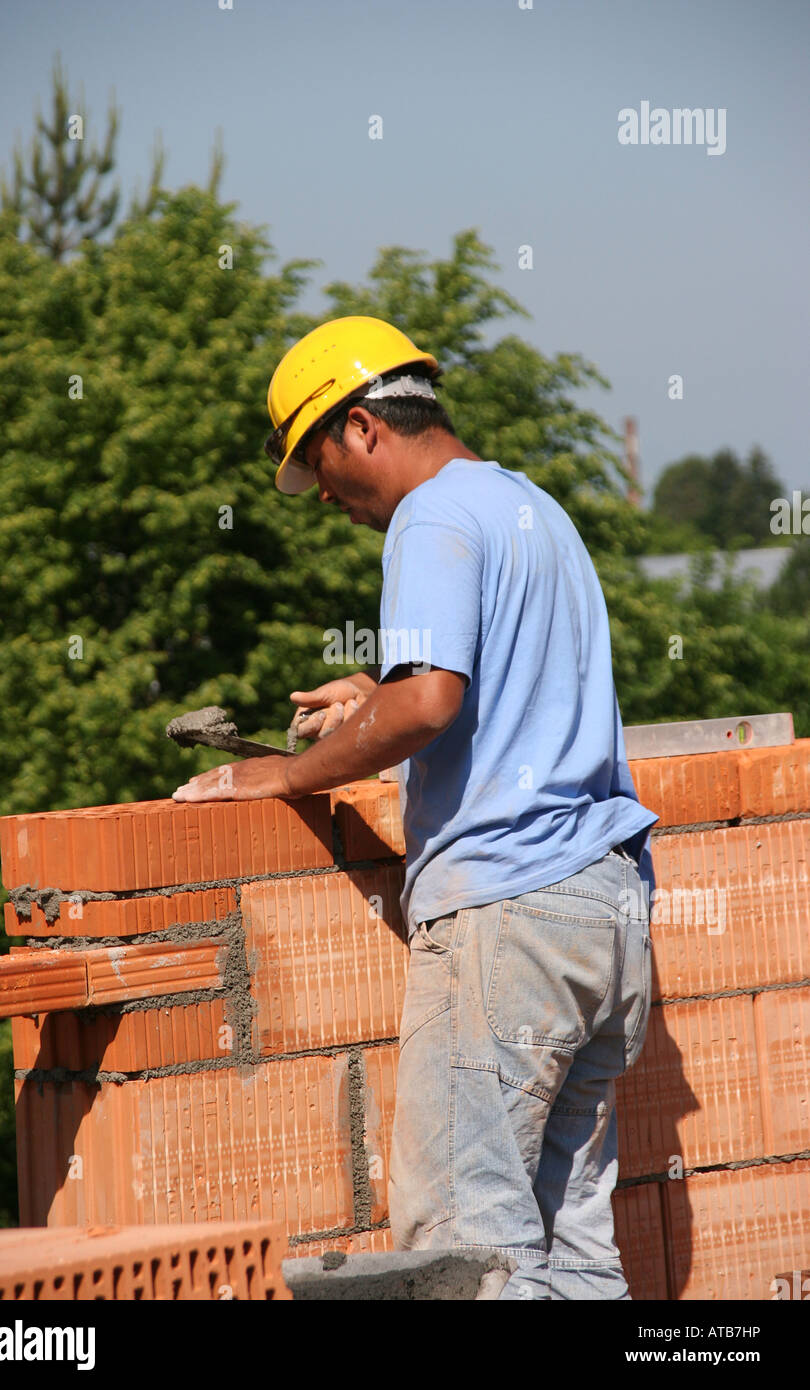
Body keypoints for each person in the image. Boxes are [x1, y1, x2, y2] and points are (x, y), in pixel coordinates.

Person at [172, 315, 658, 1300]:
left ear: (361, 427)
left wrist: (286, 776)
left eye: (318, 465)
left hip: (508, 919)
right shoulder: (531, 507)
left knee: (464, 1256)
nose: (326, 498)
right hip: (603, 913)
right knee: (573, 1259)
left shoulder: (428, 517)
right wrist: (376, 694)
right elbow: (504, 692)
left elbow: (430, 704)